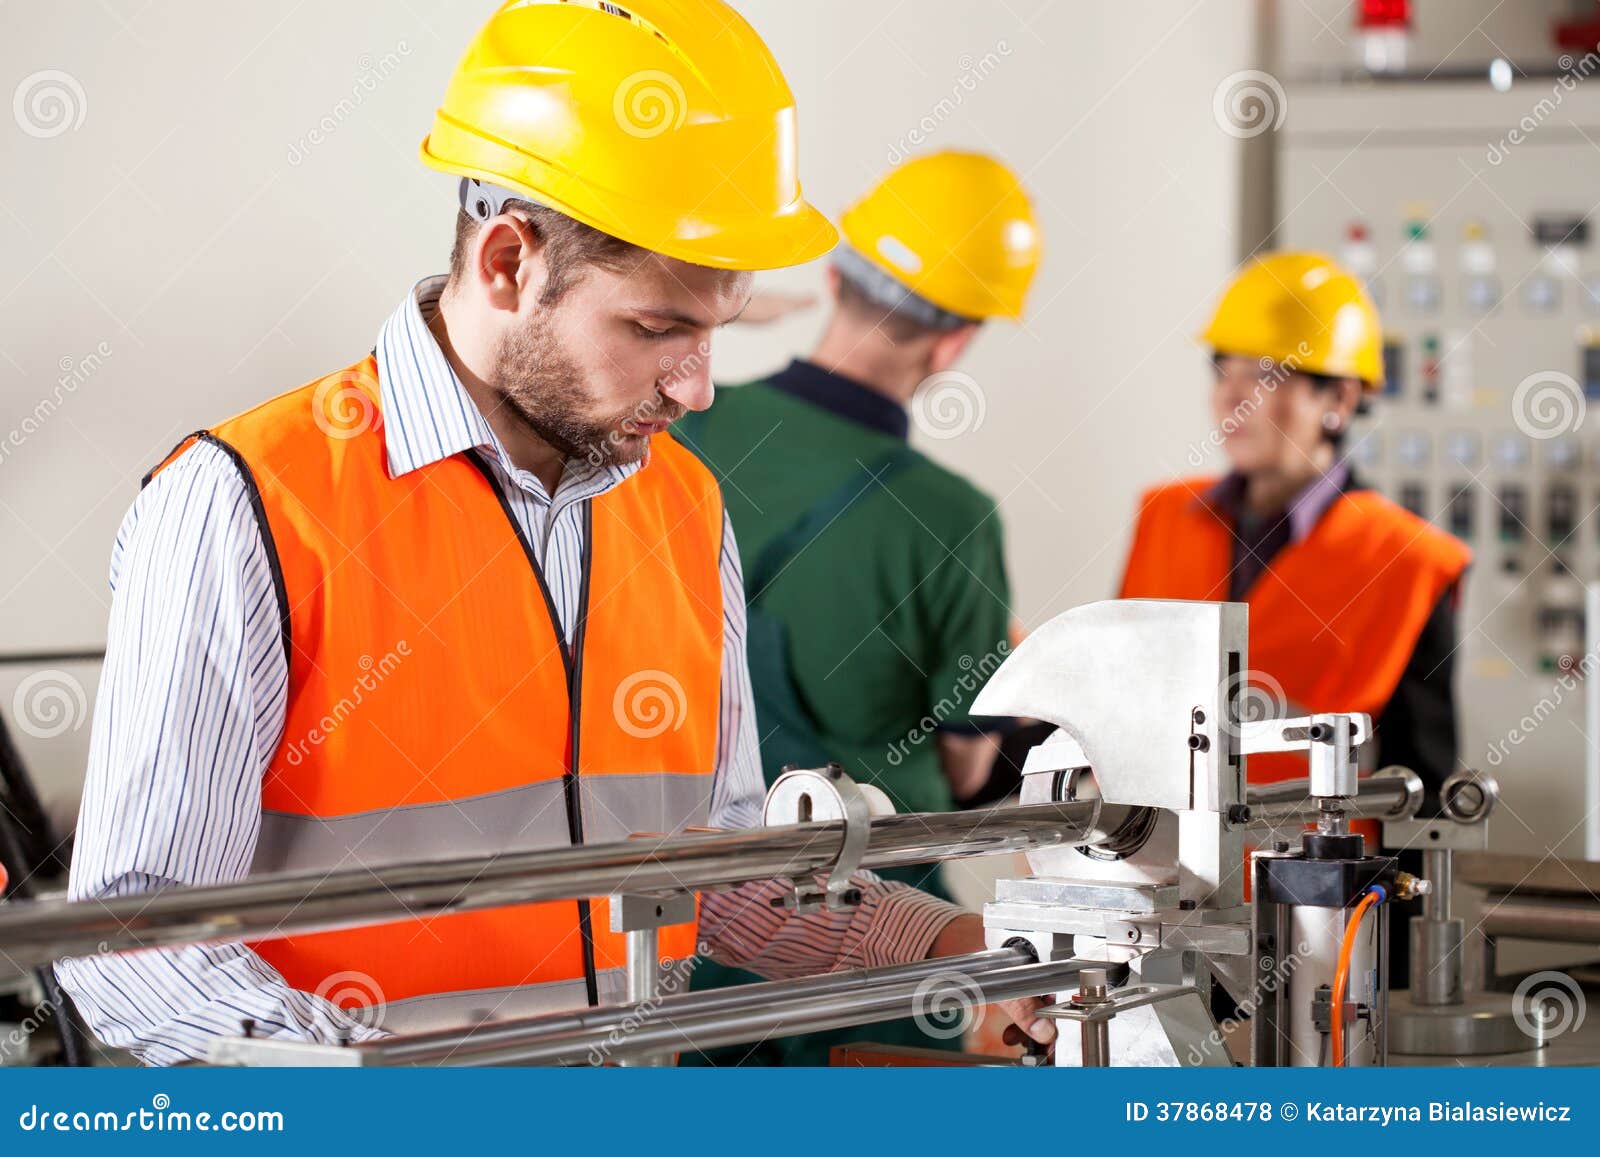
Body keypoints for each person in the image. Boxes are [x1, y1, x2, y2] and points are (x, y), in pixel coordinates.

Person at [55, 0, 1051, 1066]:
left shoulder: (680, 504)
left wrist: (952, 937)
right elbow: (132, 939)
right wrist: (372, 1085)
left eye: (713, 330)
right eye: (656, 327)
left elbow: (708, 871)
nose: (697, 385)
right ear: (506, 263)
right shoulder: (241, 502)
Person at [674, 150, 1043, 1064]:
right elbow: (968, 767)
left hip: (689, 926)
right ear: (955, 341)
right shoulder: (955, 520)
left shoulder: (682, 432)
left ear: (835, 275)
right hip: (878, 944)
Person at [1118, 252, 1471, 968]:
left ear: (1338, 397)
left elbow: (1419, 793)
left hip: (1319, 920)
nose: (1230, 398)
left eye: (1263, 375)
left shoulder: (1405, 558)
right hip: (1154, 903)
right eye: (1223, 371)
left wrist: (1389, 976)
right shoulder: (1164, 518)